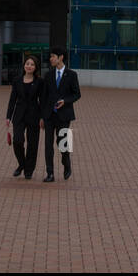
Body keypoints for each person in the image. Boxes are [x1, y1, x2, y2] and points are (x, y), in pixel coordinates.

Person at [39, 47, 80, 182]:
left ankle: (66, 164)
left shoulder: (72, 74)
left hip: (64, 115)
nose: (50, 59)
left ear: (61, 57)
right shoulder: (48, 75)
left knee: (62, 143)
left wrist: (65, 101)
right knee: (48, 144)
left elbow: (76, 94)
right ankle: (50, 173)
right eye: (50, 56)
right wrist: (42, 116)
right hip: (49, 115)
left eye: (53, 56)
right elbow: (43, 97)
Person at [5, 54, 43, 180]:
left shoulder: (39, 82)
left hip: (34, 115)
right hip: (19, 115)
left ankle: (29, 170)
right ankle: (22, 164)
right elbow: (12, 99)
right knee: (17, 141)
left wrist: (42, 117)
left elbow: (42, 100)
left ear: (36, 67)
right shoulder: (17, 80)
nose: (29, 66)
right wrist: (8, 116)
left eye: (32, 64)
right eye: (27, 64)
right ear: (24, 66)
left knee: (32, 144)